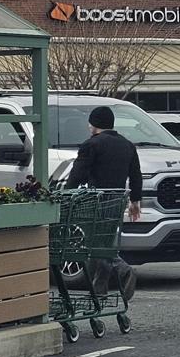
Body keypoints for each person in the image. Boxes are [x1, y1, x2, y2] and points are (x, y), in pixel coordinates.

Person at [66, 106, 141, 302]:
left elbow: (78, 173)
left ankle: (124, 271)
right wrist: (135, 202)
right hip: (117, 201)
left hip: (96, 200)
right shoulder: (127, 145)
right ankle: (99, 290)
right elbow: (135, 175)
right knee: (104, 240)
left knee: (94, 245)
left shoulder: (92, 144)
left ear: (93, 124)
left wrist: (66, 194)